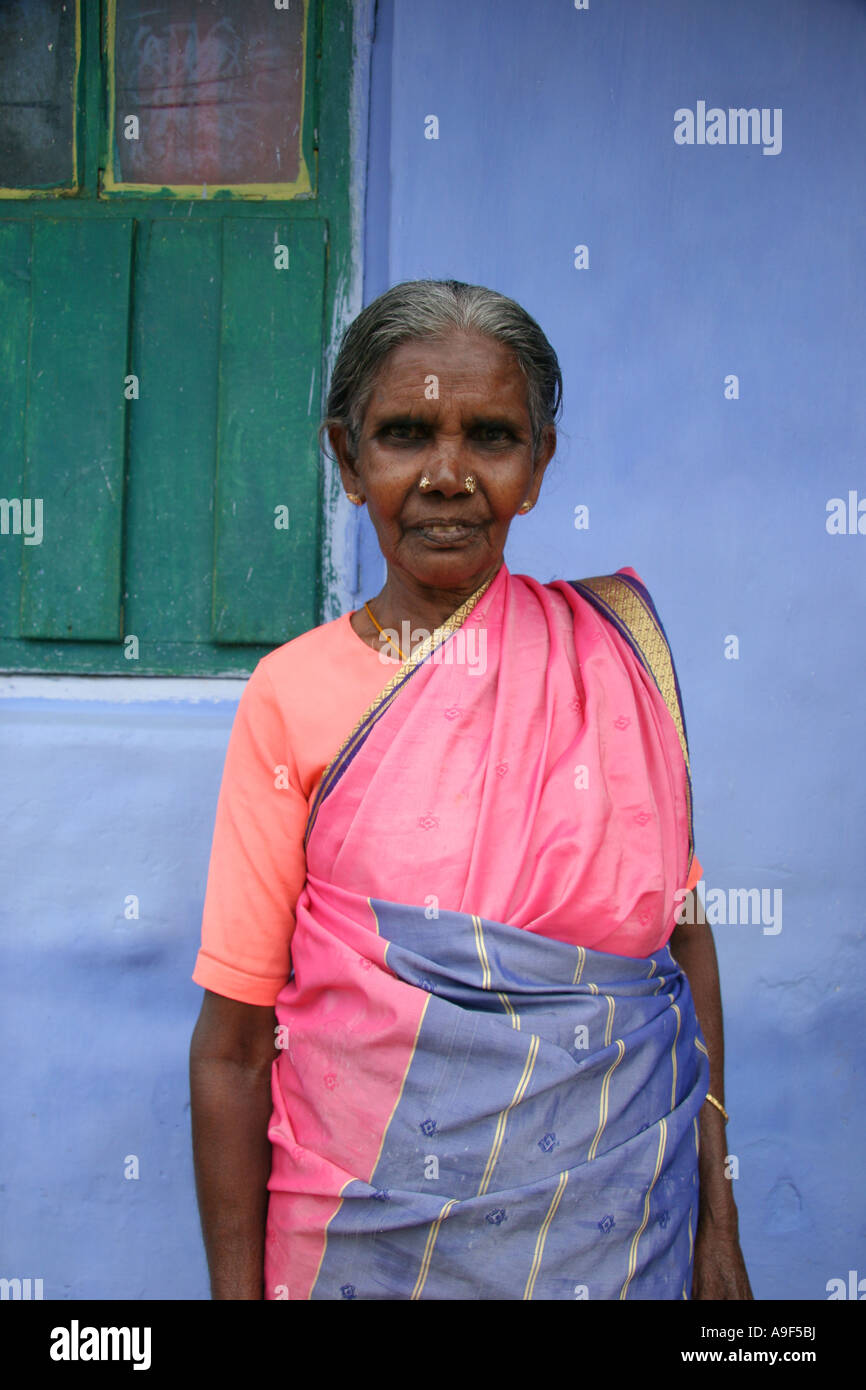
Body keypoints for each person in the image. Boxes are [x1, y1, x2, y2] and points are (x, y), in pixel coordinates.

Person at [189, 279, 752, 1301]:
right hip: (360, 1246)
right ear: (346, 460)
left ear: (535, 469)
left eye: (489, 437)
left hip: (612, 1248)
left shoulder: (612, 661)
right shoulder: (294, 695)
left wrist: (719, 1225)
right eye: (405, 433)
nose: (446, 476)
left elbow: (679, 949)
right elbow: (231, 1049)